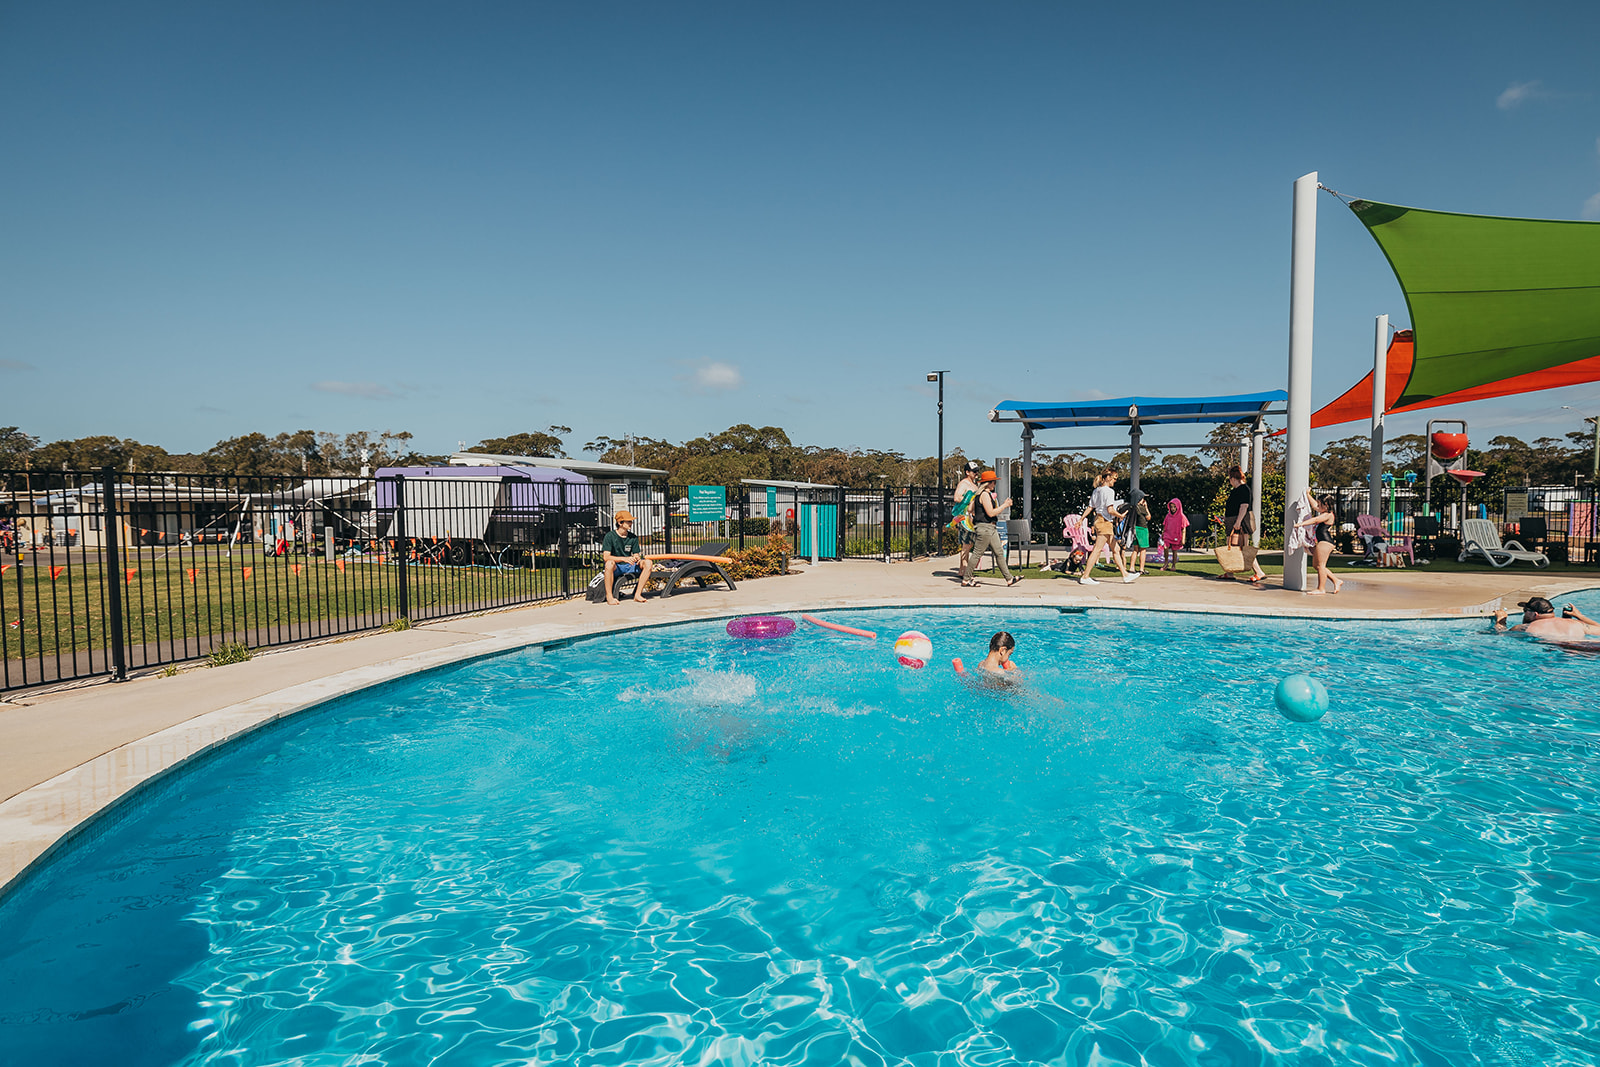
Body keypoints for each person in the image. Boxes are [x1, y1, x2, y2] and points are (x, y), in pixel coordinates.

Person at [1080, 469, 1139, 585]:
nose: (1115, 481)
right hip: (1104, 522)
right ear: (1107, 477)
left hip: (1100, 521)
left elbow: (1090, 507)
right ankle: (1085, 576)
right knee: (1097, 550)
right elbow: (1110, 510)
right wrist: (1120, 515)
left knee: (1116, 549)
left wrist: (1081, 519)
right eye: (1114, 478)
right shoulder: (1109, 491)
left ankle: (1125, 575)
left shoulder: (1097, 490)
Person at [961, 472, 1020, 587]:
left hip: (990, 527)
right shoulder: (984, 495)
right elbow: (991, 512)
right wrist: (1005, 505)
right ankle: (966, 579)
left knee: (999, 552)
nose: (995, 484)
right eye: (994, 482)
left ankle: (1009, 579)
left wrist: (976, 513)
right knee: (977, 553)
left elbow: (969, 509)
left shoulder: (978, 495)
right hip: (985, 528)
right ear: (988, 483)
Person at [1222, 466, 1267, 584]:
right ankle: (1230, 572)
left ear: (1233, 478)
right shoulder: (1236, 490)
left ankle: (1259, 571)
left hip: (1239, 523)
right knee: (1233, 547)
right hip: (1233, 521)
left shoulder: (1244, 489)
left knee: (1243, 548)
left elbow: (1244, 506)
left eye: (1230, 479)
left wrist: (1238, 522)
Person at [1293, 494, 1344, 594]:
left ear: (1326, 504)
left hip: (1325, 542)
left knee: (1321, 566)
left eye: (1319, 504)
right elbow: (1314, 506)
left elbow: (1315, 520)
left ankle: (1321, 588)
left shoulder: (1328, 515)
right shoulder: (1324, 512)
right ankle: (1336, 580)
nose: (1317, 506)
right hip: (1322, 542)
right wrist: (1307, 494)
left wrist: (1301, 524)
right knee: (1316, 565)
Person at [601, 510, 654, 605]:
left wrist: (636, 558)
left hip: (630, 565)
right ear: (620, 523)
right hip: (617, 566)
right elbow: (606, 557)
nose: (631, 523)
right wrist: (624, 559)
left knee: (648, 562)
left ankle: (637, 594)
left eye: (631, 521)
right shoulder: (610, 536)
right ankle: (609, 597)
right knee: (609, 563)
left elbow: (636, 554)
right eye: (628, 521)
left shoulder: (633, 537)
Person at [1493, 597, 1600, 640]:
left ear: (1535, 614)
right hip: (1587, 648)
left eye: (1525, 611)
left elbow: (1501, 634)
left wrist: (1501, 620)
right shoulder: (1575, 623)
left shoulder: (1524, 628)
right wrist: (1580, 616)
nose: (1524, 614)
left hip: (1561, 648)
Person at [949, 460, 983, 579]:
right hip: (964, 518)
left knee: (970, 544)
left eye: (977, 471)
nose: (976, 473)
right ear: (967, 472)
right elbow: (957, 497)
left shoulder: (974, 485)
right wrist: (969, 501)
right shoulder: (963, 484)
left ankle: (963, 570)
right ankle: (964, 571)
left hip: (972, 518)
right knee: (966, 544)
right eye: (974, 471)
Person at [952, 631, 1019, 676]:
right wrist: (1014, 671)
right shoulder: (1000, 673)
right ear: (1002, 650)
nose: (1008, 658)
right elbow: (1017, 687)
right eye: (1009, 654)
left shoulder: (981, 665)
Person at [1126, 490, 1152, 574]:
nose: (1143, 500)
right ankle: (1141, 569)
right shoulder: (1141, 508)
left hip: (1134, 529)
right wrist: (1146, 507)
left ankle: (1131, 567)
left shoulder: (1132, 507)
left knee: (1135, 550)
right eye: (1142, 498)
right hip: (1142, 529)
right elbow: (1148, 517)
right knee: (1143, 550)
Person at [1160, 498, 1189, 572]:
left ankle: (1173, 565)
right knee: (1165, 547)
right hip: (1168, 534)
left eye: (1174, 507)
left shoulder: (1182, 516)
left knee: (1174, 551)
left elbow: (1184, 528)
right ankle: (1166, 563)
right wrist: (1163, 533)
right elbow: (1165, 525)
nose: (1172, 508)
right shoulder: (1168, 516)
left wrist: (1183, 539)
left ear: (1178, 507)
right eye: (1171, 507)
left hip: (1176, 536)